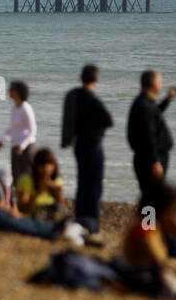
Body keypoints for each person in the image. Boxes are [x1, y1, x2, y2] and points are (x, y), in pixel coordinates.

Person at [60, 64, 114, 232]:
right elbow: (108, 120)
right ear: (96, 79)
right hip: (93, 144)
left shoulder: (73, 95)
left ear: (81, 78)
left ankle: (80, 218)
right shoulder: (92, 98)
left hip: (79, 144)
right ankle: (92, 223)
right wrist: (96, 130)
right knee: (94, 185)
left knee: (82, 183)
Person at [128, 69, 176, 199]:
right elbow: (148, 135)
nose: (161, 85)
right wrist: (155, 161)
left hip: (149, 158)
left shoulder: (145, 102)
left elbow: (154, 114)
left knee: (152, 197)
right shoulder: (144, 105)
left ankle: (150, 219)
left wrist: (167, 100)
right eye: (160, 82)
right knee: (151, 198)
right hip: (150, 160)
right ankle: (149, 220)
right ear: (154, 84)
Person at [2, 80, 37, 189]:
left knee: (26, 178)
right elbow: (12, 128)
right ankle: (16, 203)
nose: (9, 91)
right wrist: (2, 139)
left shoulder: (26, 108)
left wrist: (22, 145)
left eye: (11, 89)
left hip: (26, 148)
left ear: (17, 92)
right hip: (15, 147)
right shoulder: (14, 109)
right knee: (16, 178)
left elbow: (33, 131)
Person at [15, 148, 63, 221]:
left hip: (50, 218)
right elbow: (22, 209)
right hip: (31, 220)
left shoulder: (56, 181)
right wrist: (39, 192)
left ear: (54, 166)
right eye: (42, 164)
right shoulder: (26, 180)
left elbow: (61, 208)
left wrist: (57, 195)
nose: (46, 168)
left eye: (49, 164)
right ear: (36, 166)